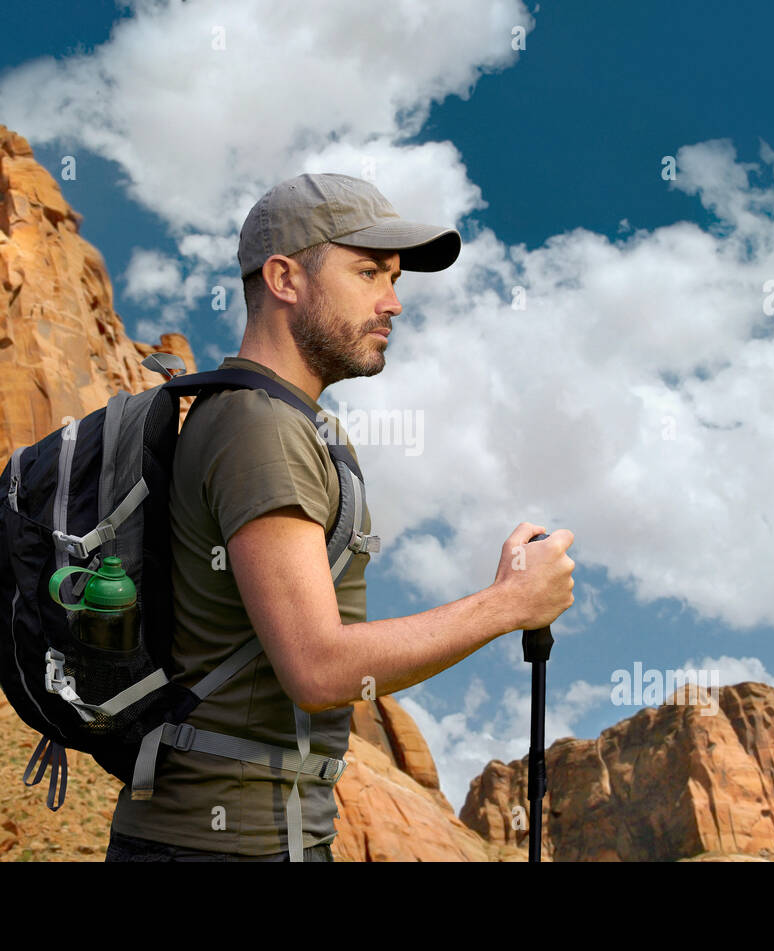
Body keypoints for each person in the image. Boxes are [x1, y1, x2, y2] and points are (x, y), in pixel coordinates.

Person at [105, 173, 575, 861]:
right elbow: (319, 667)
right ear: (284, 277)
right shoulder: (257, 427)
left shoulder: (283, 421)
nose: (394, 302)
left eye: (395, 278)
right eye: (368, 273)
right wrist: (509, 604)